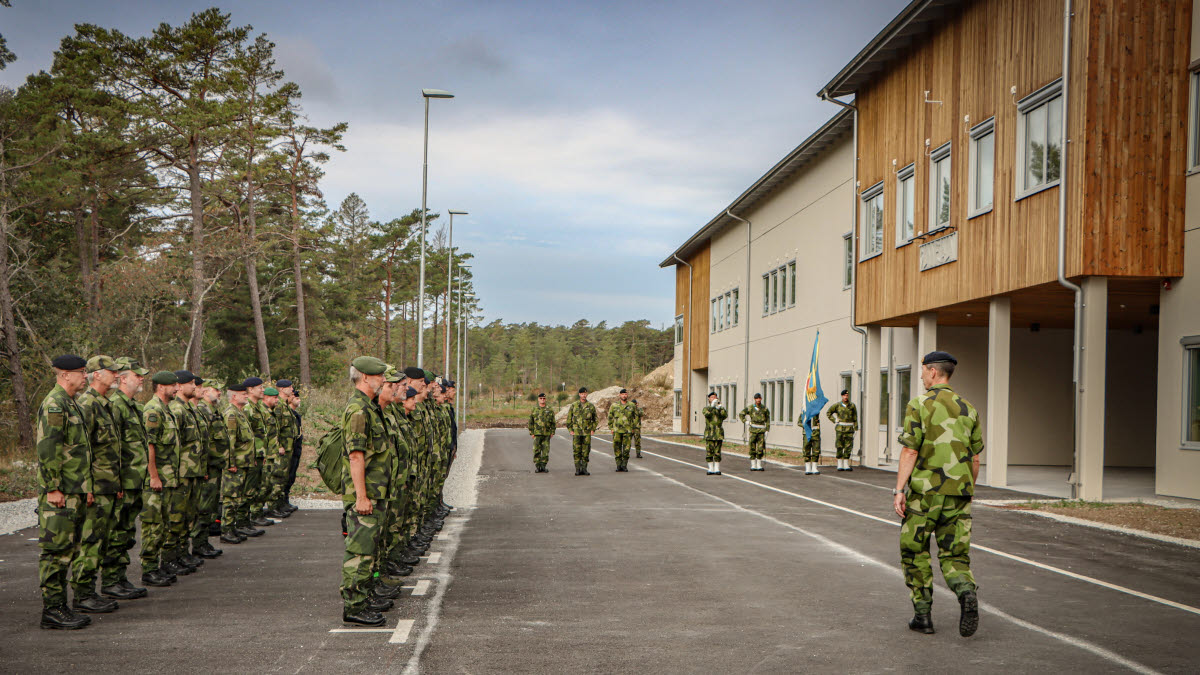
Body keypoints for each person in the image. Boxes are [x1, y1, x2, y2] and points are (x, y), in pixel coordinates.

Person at [893, 351, 982, 638]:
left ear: (933, 371)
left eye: (922, 371)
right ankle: (965, 590)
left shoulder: (919, 405)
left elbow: (910, 450)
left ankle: (923, 616)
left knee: (914, 550)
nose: (921, 376)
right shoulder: (968, 408)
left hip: (925, 494)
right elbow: (975, 458)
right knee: (955, 554)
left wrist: (899, 490)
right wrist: (968, 490)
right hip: (959, 493)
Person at [36, 355, 96, 629]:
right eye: (81, 372)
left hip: (75, 489)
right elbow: (49, 448)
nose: (85, 377)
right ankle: (52, 609)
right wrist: (53, 488)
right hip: (61, 492)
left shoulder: (72, 403)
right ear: (64, 375)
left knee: (69, 549)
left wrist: (87, 488)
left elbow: (81, 452)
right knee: (55, 550)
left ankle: (61, 606)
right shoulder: (55, 404)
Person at [339, 356, 394, 626]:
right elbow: (356, 456)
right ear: (364, 377)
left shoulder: (369, 407)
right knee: (360, 552)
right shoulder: (358, 410)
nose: (383, 380)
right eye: (379, 376)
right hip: (366, 494)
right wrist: (361, 496)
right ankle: (354, 605)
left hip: (376, 492)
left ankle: (365, 597)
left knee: (370, 551)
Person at [70, 356, 124, 613]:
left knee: (101, 540)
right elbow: (83, 450)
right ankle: (82, 594)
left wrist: (117, 482)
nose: (116, 375)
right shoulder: (87, 405)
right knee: (89, 541)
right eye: (112, 371)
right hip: (96, 487)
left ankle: (91, 590)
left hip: (108, 485)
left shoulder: (106, 404)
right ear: (97, 375)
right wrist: (87, 487)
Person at [101, 357, 150, 599]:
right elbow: (113, 448)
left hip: (135, 480)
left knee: (127, 532)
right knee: (117, 532)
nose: (141, 379)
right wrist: (117, 481)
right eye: (137, 375)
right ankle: (111, 580)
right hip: (123, 482)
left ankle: (119, 578)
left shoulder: (134, 406)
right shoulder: (116, 406)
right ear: (122, 378)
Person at [141, 371, 183, 585]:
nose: (176, 388)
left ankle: (158, 566)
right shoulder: (153, 410)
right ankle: (148, 570)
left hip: (169, 478)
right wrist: (154, 476)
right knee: (153, 525)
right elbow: (149, 445)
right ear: (160, 387)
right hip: (158, 479)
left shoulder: (167, 410)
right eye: (172, 385)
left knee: (164, 524)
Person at [169, 370, 206, 572]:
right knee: (176, 517)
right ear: (180, 386)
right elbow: (174, 445)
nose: (195, 386)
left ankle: (183, 553)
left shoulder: (189, 409)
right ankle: (171, 558)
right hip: (181, 473)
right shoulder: (177, 410)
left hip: (192, 471)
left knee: (188, 516)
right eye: (191, 383)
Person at [221, 382, 261, 543]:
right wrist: (230, 463)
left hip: (244, 462)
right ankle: (226, 530)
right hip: (235, 464)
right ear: (234, 396)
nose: (246, 396)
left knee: (238, 498)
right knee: (231, 498)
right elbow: (229, 441)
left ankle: (233, 528)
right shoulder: (231, 414)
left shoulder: (240, 413)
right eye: (243, 394)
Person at [566, 387, 598, 476]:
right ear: (579, 394)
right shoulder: (574, 405)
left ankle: (584, 469)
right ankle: (577, 469)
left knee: (586, 451)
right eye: (582, 394)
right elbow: (569, 418)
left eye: (585, 394)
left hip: (586, 432)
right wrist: (570, 429)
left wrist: (593, 429)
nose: (584, 395)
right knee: (577, 451)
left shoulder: (590, 406)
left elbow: (595, 419)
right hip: (577, 432)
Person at [827, 389, 859, 472]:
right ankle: (839, 463)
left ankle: (846, 464)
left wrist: (856, 427)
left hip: (849, 428)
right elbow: (829, 413)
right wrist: (834, 420)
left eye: (847, 395)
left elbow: (855, 417)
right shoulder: (837, 405)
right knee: (839, 445)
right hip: (840, 428)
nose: (845, 397)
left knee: (848, 446)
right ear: (842, 396)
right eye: (844, 395)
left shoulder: (852, 406)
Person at [738, 393, 770, 471]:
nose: (758, 400)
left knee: (760, 448)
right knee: (752, 447)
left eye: (759, 398)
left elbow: (768, 420)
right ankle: (753, 465)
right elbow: (741, 414)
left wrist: (767, 430)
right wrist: (745, 421)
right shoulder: (751, 408)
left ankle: (759, 465)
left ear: (761, 399)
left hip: (761, 430)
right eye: (756, 398)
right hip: (753, 430)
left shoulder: (764, 409)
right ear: (754, 399)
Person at [607, 389, 636, 472]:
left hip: (627, 431)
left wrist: (633, 428)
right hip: (617, 431)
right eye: (622, 394)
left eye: (625, 394)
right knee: (617, 448)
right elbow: (610, 417)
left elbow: (635, 418)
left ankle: (624, 465)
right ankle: (618, 465)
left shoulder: (631, 405)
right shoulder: (614, 405)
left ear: (627, 395)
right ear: (620, 395)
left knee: (627, 449)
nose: (624, 396)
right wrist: (611, 428)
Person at [527, 393, 556, 472]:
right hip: (537, 433)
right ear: (538, 399)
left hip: (547, 434)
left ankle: (543, 466)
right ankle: (538, 466)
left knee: (545, 451)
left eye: (544, 398)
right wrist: (531, 432)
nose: (542, 400)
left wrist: (552, 432)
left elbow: (553, 422)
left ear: (545, 399)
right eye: (541, 398)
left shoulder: (549, 410)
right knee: (536, 450)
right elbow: (531, 422)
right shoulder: (534, 409)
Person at [702, 392, 727, 475]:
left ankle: (717, 468)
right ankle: (710, 468)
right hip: (709, 433)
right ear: (709, 399)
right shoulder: (707, 408)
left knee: (717, 452)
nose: (714, 398)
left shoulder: (720, 408)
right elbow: (706, 414)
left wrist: (719, 408)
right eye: (712, 397)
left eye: (715, 397)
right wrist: (712, 406)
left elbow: (725, 416)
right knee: (709, 452)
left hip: (718, 434)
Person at [802, 408, 822, 475]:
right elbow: (799, 422)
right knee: (806, 450)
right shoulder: (804, 413)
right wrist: (806, 425)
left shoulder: (816, 413)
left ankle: (814, 467)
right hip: (807, 433)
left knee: (816, 450)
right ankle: (808, 468)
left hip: (815, 433)